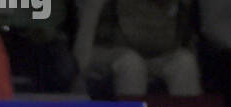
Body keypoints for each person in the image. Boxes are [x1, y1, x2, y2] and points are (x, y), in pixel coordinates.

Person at [73, 0, 201, 97]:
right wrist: (80, 72)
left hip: (153, 52)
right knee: (131, 63)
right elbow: (85, 35)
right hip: (102, 51)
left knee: (185, 62)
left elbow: (180, 35)